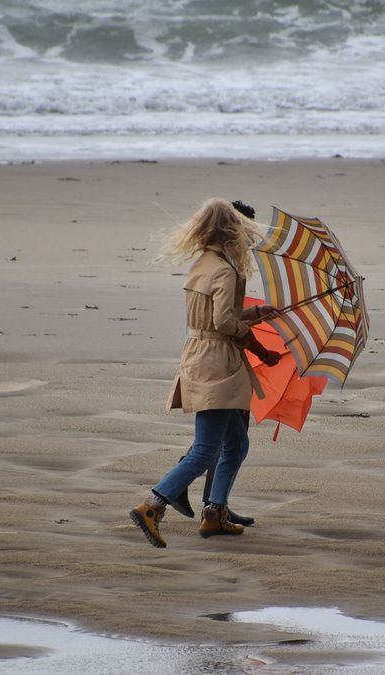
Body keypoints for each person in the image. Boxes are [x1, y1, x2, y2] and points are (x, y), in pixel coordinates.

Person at [130, 198, 280, 548]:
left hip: (200, 353)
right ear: (232, 232)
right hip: (218, 362)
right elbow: (224, 322)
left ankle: (215, 512)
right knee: (206, 449)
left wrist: (256, 314)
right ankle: (153, 504)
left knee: (236, 443)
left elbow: (215, 316)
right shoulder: (226, 269)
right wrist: (259, 346)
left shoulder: (204, 263)